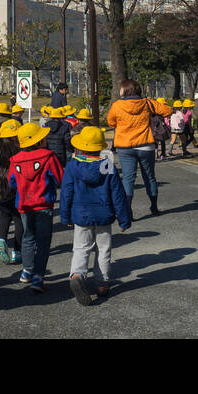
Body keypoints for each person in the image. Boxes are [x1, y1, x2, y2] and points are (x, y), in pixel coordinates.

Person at [60, 126, 131, 306]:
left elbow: (66, 193)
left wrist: (65, 215)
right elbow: (117, 194)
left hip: (80, 214)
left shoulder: (72, 165)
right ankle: (102, 283)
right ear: (100, 147)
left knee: (81, 248)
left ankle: (77, 274)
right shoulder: (107, 166)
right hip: (103, 214)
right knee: (103, 249)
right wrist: (124, 219)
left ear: (81, 146)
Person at [9, 120, 64, 294]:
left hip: (24, 204)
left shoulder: (14, 159)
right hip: (43, 204)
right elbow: (59, 178)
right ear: (38, 141)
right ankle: (38, 277)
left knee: (27, 237)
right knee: (43, 241)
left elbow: (11, 182)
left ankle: (27, 270)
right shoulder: (48, 156)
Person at [106, 79, 171, 217]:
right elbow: (167, 110)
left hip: (125, 146)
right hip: (146, 144)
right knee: (150, 177)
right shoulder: (147, 102)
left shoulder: (117, 105)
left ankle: (128, 211)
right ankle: (154, 206)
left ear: (125, 90)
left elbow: (111, 122)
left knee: (128, 179)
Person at [0, 118, 24, 265]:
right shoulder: (18, 150)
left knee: (4, 217)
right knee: (18, 219)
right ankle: (17, 251)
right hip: (13, 192)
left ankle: (2, 239)